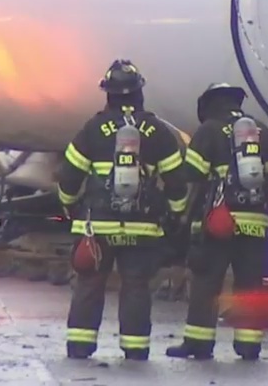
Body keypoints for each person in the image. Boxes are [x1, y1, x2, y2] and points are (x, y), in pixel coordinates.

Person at [57, 59, 190, 360]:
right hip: (141, 228)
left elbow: (69, 175)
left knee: (89, 284)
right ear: (139, 92)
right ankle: (135, 349)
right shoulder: (156, 130)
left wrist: (69, 206)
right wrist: (175, 214)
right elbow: (176, 181)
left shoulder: (92, 128)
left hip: (96, 228)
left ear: (108, 94)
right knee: (136, 286)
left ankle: (80, 346)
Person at [166, 83, 268, 362]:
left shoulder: (209, 131)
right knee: (249, 284)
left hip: (219, 222)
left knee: (207, 282)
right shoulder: (262, 131)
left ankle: (199, 344)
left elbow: (192, 173)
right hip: (256, 223)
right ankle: (249, 346)